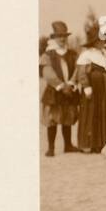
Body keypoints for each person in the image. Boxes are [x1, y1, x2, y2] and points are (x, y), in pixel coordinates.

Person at [76, 17, 106, 153]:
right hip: (93, 91)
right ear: (94, 42)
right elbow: (81, 73)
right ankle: (92, 143)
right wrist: (86, 87)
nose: (102, 42)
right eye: (100, 40)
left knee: (104, 114)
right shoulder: (87, 55)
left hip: (105, 91)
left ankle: (103, 141)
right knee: (93, 115)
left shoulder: (105, 53)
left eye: (103, 40)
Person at [41, 21, 82, 156]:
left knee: (67, 118)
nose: (62, 38)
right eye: (59, 36)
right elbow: (47, 73)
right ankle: (51, 147)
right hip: (55, 90)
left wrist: (71, 83)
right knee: (53, 119)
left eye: (64, 36)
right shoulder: (48, 55)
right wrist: (60, 85)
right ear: (54, 38)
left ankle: (68, 145)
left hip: (69, 89)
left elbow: (77, 69)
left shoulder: (72, 54)